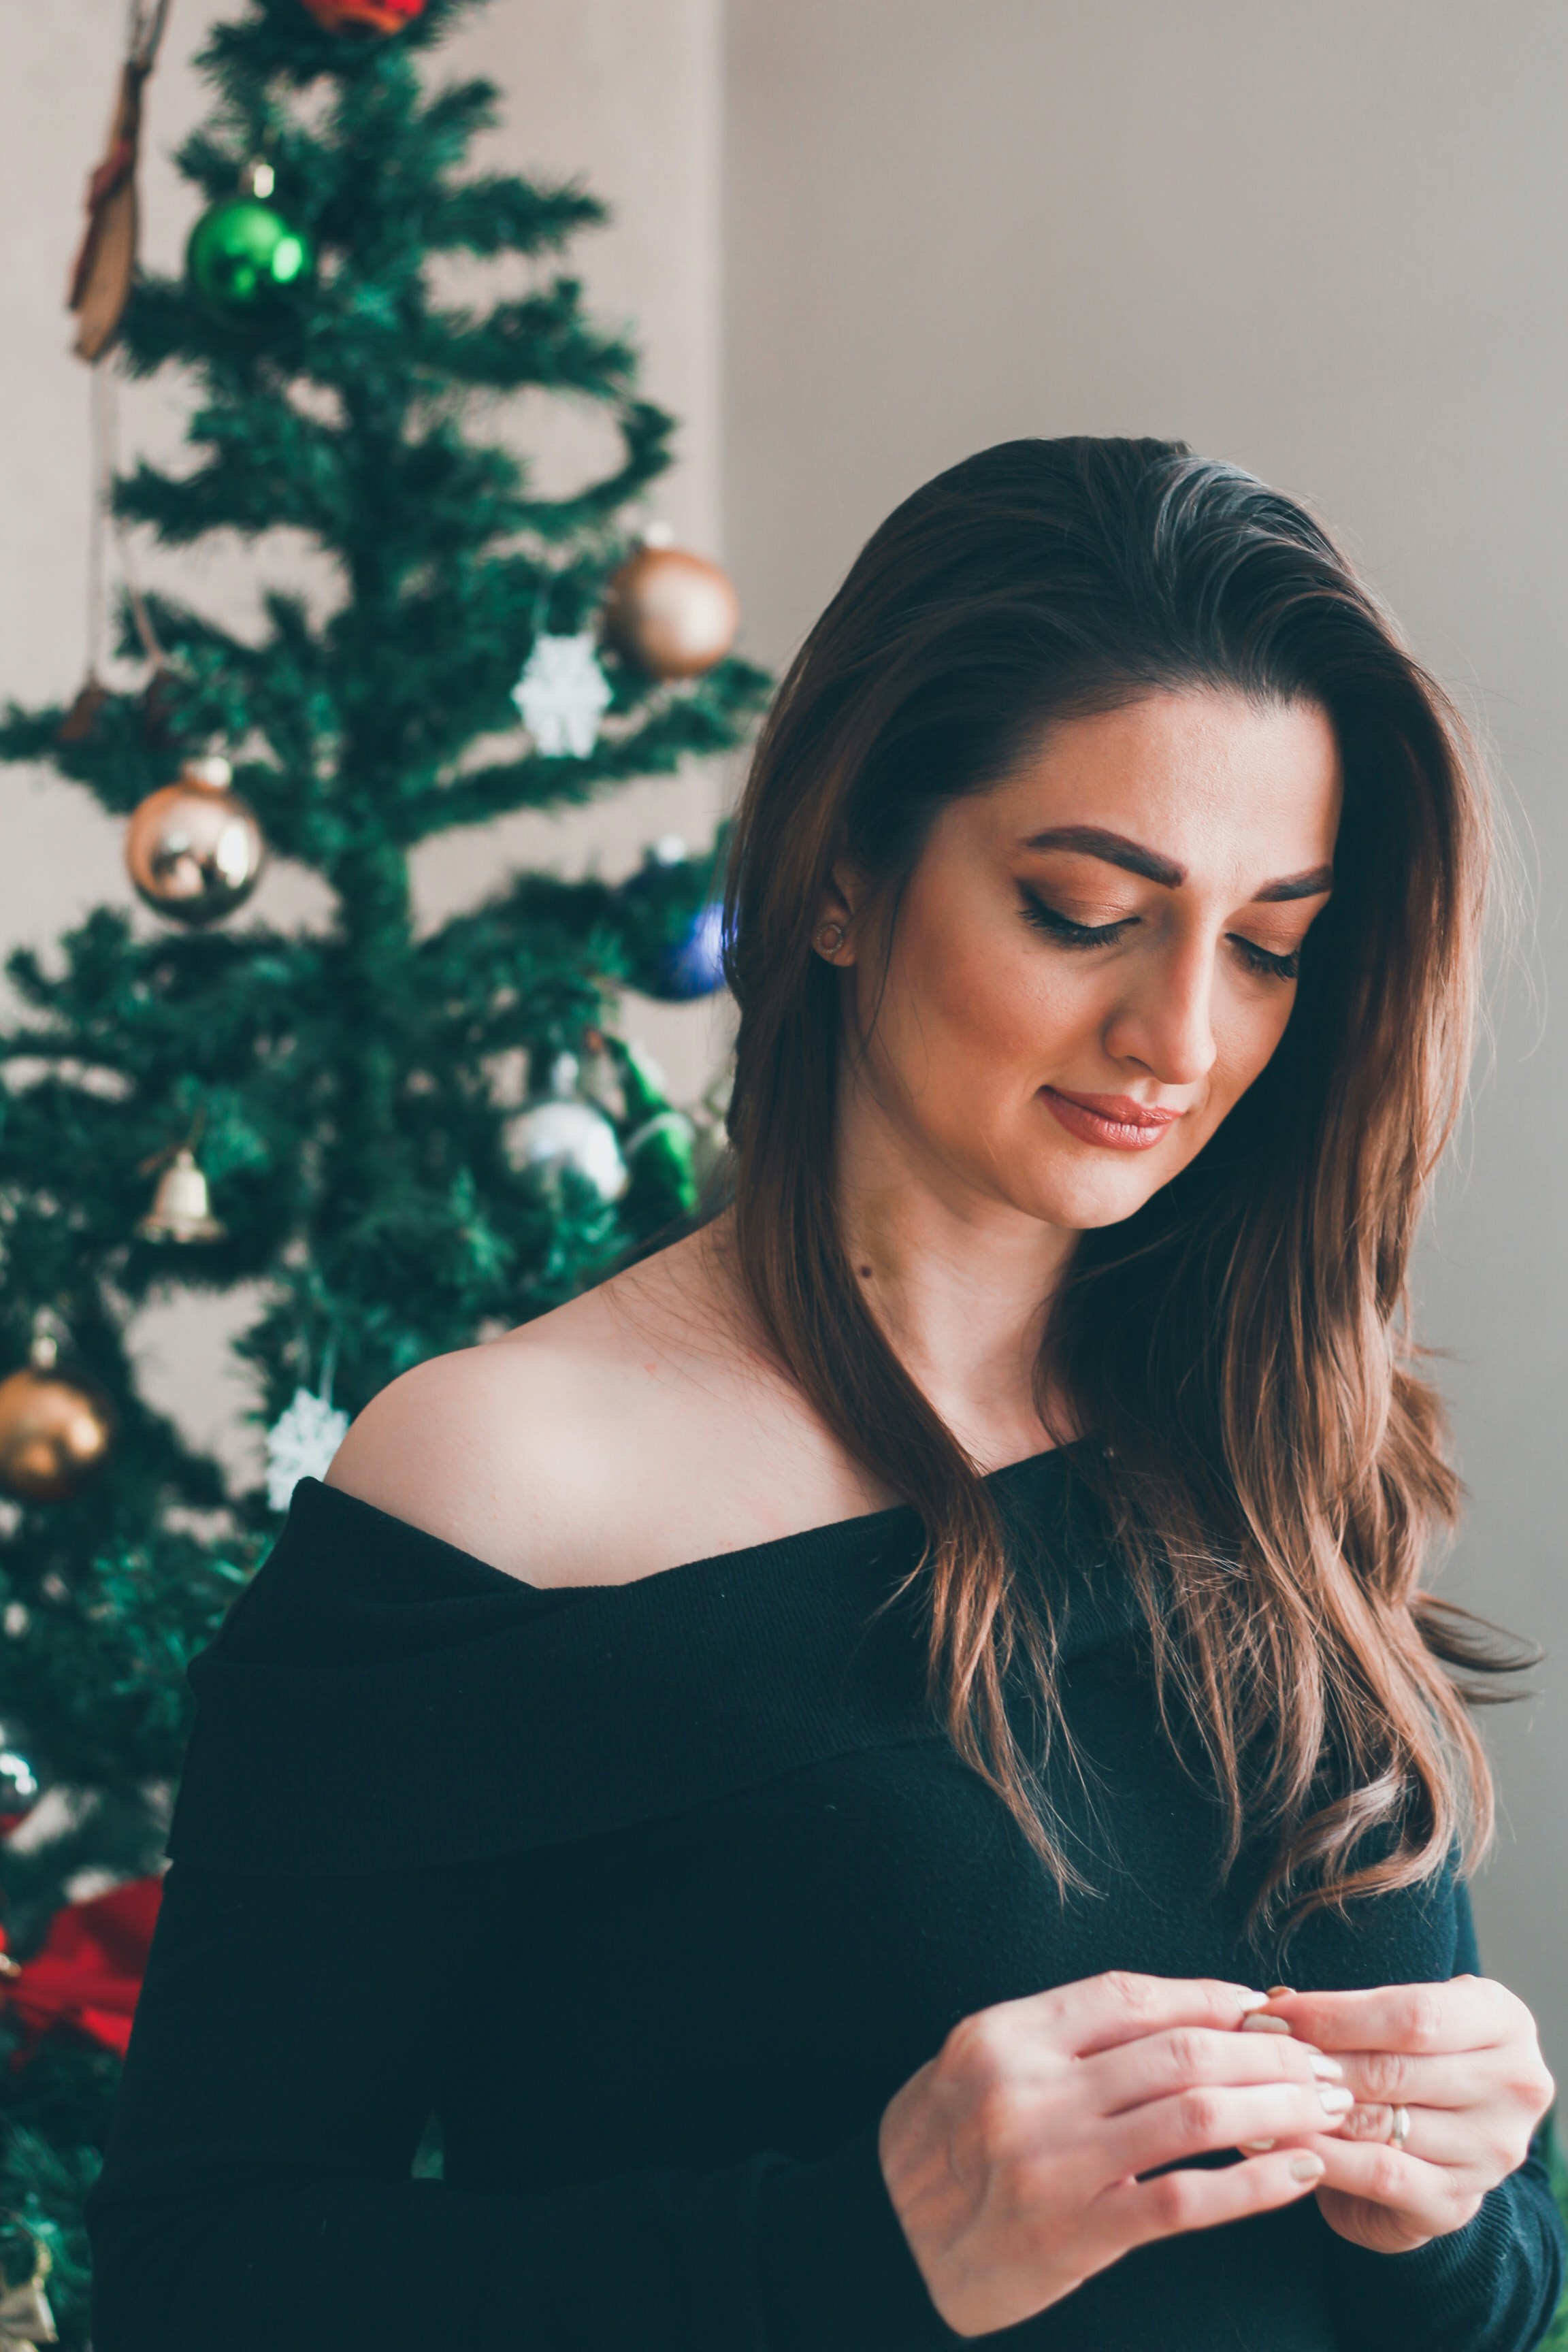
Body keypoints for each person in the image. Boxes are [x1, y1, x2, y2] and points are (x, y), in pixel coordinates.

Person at [84, 437, 1564, 2350]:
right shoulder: (507, 1481)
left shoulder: (1276, 1440)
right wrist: (869, 2247)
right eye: (1083, 912)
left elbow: (1462, 2302)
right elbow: (202, 2281)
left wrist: (1456, 2218)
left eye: (1271, 946)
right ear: (847, 873)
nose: (1182, 1039)